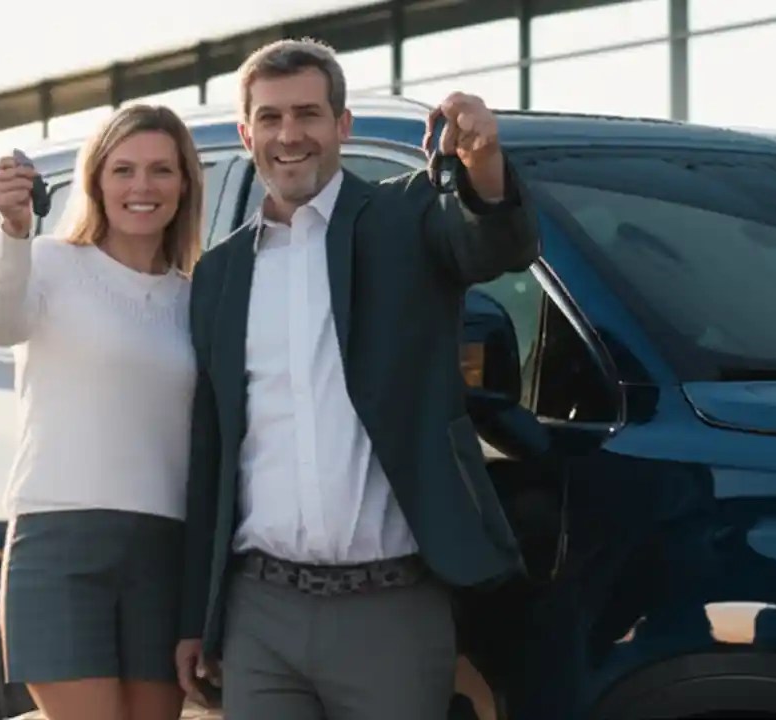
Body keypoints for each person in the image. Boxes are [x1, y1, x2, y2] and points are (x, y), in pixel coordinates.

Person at [175, 38, 539, 719]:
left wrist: (484, 162)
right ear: (246, 131)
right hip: (260, 617)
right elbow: (213, 450)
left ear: (342, 126)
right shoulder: (220, 274)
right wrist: (199, 616)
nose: (291, 136)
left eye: (309, 114)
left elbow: (497, 244)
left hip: (392, 610)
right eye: (273, 117)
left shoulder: (407, 218)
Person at [0, 103, 204, 720]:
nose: (142, 187)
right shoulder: (48, 262)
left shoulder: (197, 297)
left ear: (185, 183)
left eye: (161, 170)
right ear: (96, 180)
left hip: (165, 550)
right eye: (123, 169)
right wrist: (13, 229)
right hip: (61, 541)